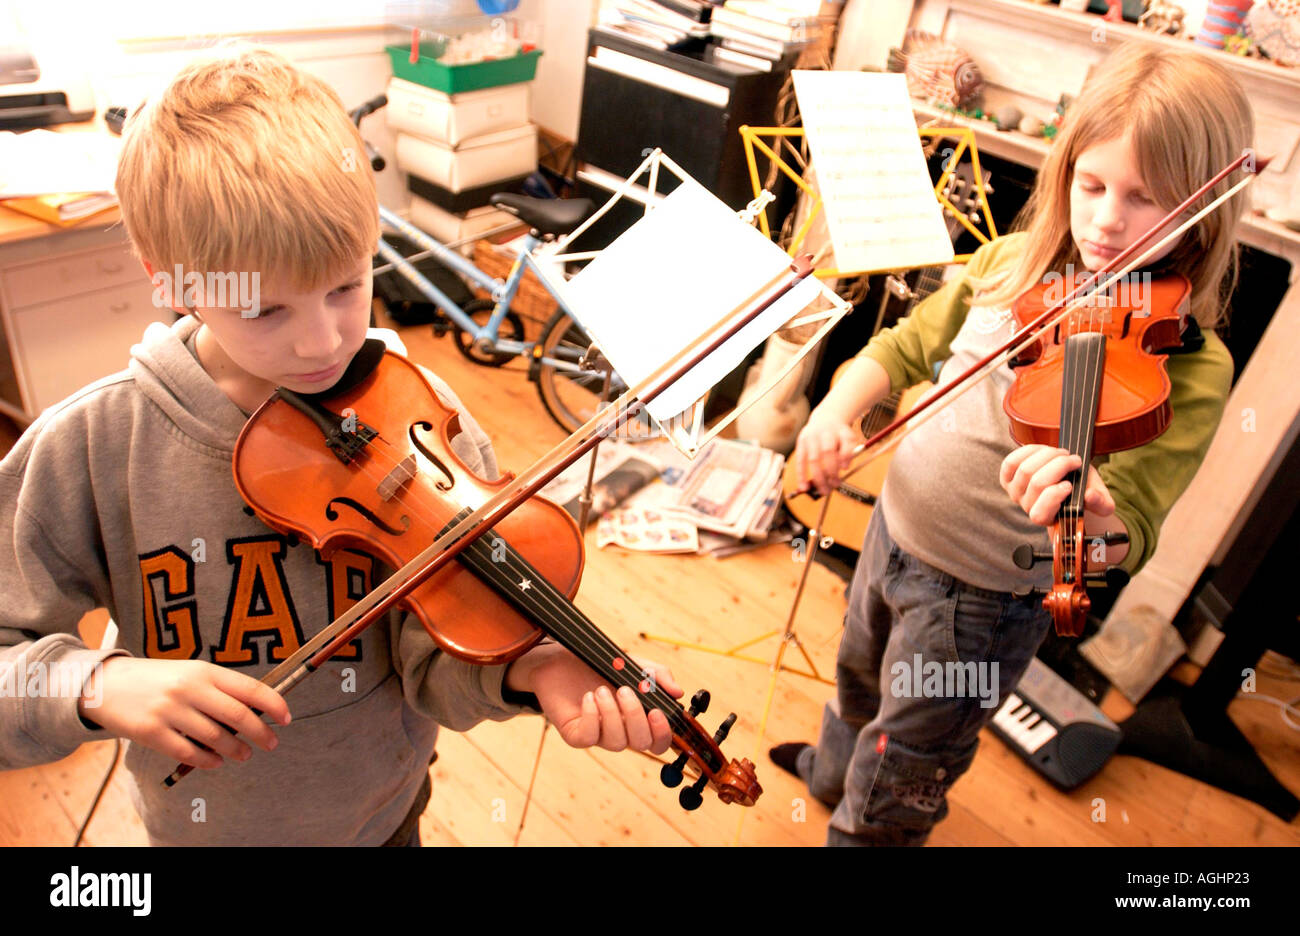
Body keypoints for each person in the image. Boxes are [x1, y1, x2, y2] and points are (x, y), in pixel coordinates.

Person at [0, 45, 680, 846]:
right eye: (265, 312)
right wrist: (99, 686)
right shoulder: (94, 445)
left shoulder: (431, 427)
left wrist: (531, 670)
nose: (322, 342)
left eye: (346, 286)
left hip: (384, 823)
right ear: (170, 280)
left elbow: (438, 669)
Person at [772, 43, 1253, 846]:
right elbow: (901, 348)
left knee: (907, 758)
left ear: (1204, 209)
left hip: (983, 604)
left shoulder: (1192, 363)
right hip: (892, 536)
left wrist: (1090, 504)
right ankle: (829, 776)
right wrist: (837, 409)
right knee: (857, 686)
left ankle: (866, 828)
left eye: (1146, 199)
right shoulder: (1007, 263)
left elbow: (1128, 524)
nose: (1104, 219)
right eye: (1091, 184)